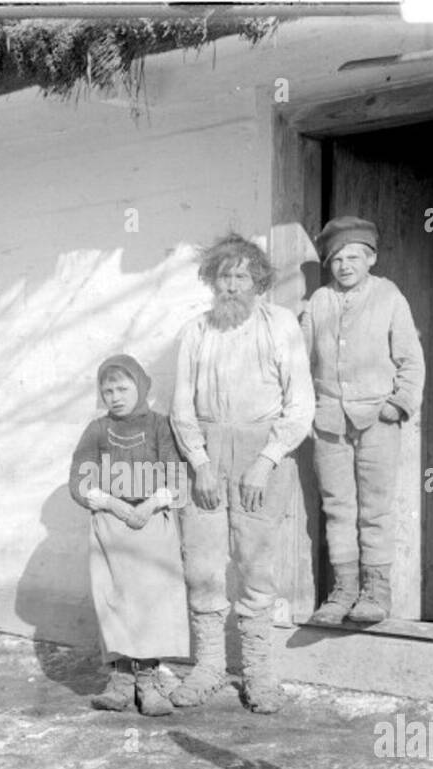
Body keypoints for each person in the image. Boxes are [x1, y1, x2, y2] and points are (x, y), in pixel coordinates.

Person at [169, 234, 314, 715]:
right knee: (203, 564)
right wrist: (200, 461)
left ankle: (259, 673)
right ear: (211, 281)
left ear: (258, 280)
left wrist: (267, 459)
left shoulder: (281, 325)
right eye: (223, 276)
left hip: (263, 451)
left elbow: (300, 405)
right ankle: (209, 667)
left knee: (256, 564)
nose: (231, 286)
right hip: (207, 453)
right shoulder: (196, 331)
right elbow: (181, 406)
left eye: (241, 276)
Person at [302, 216, 424, 625]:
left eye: (353, 256)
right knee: (338, 506)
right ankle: (344, 589)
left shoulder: (389, 296)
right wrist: (308, 410)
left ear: (371, 258)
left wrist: (397, 404)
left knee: (374, 508)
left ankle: (376, 591)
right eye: (336, 259)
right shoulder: (319, 302)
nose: (344, 265)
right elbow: (302, 363)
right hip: (330, 420)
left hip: (377, 420)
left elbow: (410, 360)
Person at [68, 354, 190, 716]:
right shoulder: (97, 430)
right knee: (116, 599)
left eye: (123, 388)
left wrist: (150, 505)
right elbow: (79, 479)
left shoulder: (159, 426)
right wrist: (112, 505)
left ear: (140, 386)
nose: (115, 396)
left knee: (152, 599)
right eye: (107, 390)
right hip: (111, 524)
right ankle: (121, 679)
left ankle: (149, 680)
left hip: (152, 523)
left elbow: (175, 474)